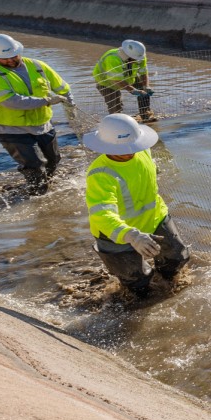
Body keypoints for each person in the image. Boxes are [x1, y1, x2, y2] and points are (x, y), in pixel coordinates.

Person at [82, 113, 189, 299]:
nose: (129, 151)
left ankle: (169, 288)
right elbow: (102, 214)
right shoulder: (100, 174)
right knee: (136, 281)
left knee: (177, 258)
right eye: (121, 148)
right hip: (115, 234)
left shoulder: (142, 150)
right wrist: (131, 235)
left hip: (155, 218)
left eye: (131, 145)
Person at [0, 33, 72, 194]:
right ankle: (37, 196)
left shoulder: (37, 65)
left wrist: (70, 103)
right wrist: (47, 101)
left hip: (41, 123)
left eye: (13, 56)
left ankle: (45, 185)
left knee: (54, 160)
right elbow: (11, 101)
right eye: (4, 58)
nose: (10, 60)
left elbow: (62, 87)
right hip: (8, 126)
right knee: (34, 164)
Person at [92, 39, 154, 122]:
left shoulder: (139, 56)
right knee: (115, 105)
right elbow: (117, 80)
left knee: (144, 91)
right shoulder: (113, 58)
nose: (137, 61)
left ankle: (145, 114)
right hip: (106, 82)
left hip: (128, 77)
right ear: (128, 56)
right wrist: (133, 90)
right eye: (134, 59)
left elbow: (143, 72)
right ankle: (117, 122)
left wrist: (146, 86)